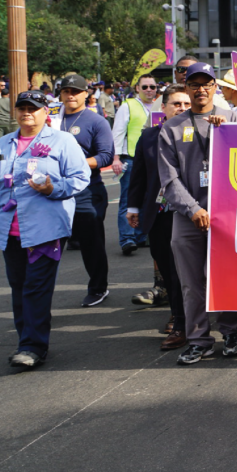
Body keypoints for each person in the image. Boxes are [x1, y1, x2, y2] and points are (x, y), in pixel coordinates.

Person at [0, 90, 90, 368]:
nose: (27, 113)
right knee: (19, 288)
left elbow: (81, 177)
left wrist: (54, 188)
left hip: (45, 230)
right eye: (22, 108)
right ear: (15, 112)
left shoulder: (62, 141)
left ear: (45, 112)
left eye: (34, 108)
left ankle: (33, 346)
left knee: (36, 288)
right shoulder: (4, 143)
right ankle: (26, 339)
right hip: (10, 232)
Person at [158, 63, 237, 365]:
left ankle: (232, 332)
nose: (201, 89)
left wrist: (229, 132)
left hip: (226, 216)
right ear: (186, 86)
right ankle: (198, 339)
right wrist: (193, 209)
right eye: (194, 83)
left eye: (206, 83)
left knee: (226, 276)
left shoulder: (233, 118)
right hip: (188, 215)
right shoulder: (171, 128)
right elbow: (169, 179)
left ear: (215, 86)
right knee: (190, 281)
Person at [126, 84, 192, 350]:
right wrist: (133, 207)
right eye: (176, 104)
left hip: (191, 213)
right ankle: (179, 316)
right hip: (160, 213)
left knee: (186, 271)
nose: (182, 109)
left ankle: (186, 319)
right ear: (163, 107)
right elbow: (139, 175)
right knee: (168, 270)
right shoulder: (149, 137)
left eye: (186, 104)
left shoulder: (202, 132)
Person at [57, 74, 114, 307]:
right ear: (60, 93)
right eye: (66, 91)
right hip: (53, 191)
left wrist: (74, 163)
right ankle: (39, 290)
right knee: (49, 244)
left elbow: (105, 156)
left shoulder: (95, 121)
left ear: (85, 94)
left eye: (76, 91)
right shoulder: (50, 119)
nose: (71, 95)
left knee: (92, 243)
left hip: (87, 190)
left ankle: (98, 288)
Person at [111, 74, 162, 255]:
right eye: (145, 87)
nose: (149, 90)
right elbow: (117, 132)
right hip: (131, 159)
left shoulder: (160, 107)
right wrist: (116, 158)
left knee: (147, 198)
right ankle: (127, 238)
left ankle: (140, 235)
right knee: (127, 199)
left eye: (152, 87)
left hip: (153, 160)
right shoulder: (128, 106)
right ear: (137, 89)